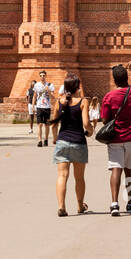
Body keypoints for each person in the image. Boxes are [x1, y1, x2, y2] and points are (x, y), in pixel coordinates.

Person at [99, 61, 131, 215]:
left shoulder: (109, 96)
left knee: (115, 169)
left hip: (115, 139)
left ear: (114, 80)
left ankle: (114, 204)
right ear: (127, 77)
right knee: (130, 171)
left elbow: (105, 119)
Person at [50, 75, 91, 216]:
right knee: (79, 178)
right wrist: (90, 131)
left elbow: (54, 124)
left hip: (62, 142)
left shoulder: (59, 102)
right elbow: (86, 123)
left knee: (62, 175)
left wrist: (55, 138)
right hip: (78, 142)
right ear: (77, 87)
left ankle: (61, 206)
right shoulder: (83, 101)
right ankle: (80, 206)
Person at [34, 71, 53, 147]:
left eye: (44, 75)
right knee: (39, 124)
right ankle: (39, 140)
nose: (42, 77)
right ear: (39, 76)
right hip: (39, 106)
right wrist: (33, 106)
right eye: (41, 75)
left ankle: (46, 139)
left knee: (47, 125)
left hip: (47, 107)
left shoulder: (50, 85)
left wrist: (48, 90)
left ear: (46, 76)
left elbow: (53, 96)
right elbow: (35, 96)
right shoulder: (36, 85)